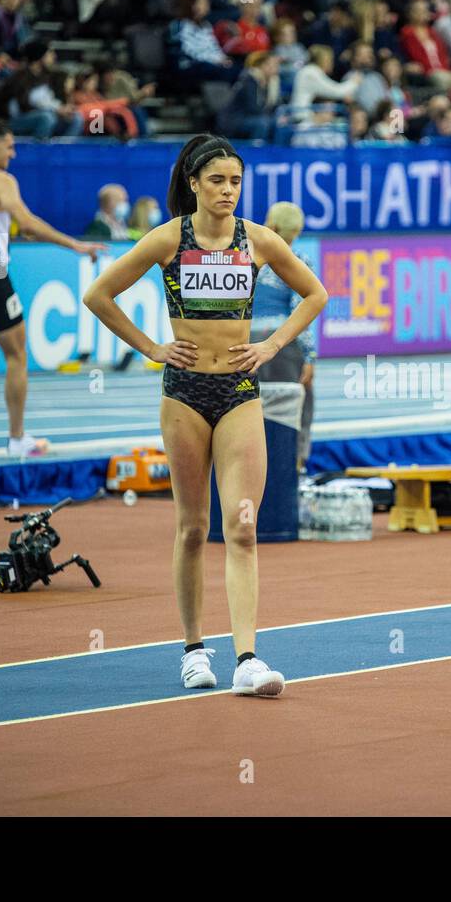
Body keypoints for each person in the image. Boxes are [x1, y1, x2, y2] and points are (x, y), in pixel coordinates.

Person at [82, 134, 327, 697]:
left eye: (236, 181)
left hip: (239, 390)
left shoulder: (258, 241)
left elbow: (314, 295)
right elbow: (99, 295)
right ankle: (194, 651)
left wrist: (269, 346)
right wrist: (151, 347)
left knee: (241, 525)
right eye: (217, 180)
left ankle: (248, 660)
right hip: (184, 395)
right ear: (193, 183)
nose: (228, 191)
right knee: (193, 527)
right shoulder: (170, 238)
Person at [0, 120, 107, 466]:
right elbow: (26, 223)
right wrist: (74, 245)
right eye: (10, 147)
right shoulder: (1, 180)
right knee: (16, 357)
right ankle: (16, 438)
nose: (13, 154)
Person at [249, 202, 318, 472]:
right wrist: (310, 356)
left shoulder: (249, 258)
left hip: (245, 341)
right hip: (281, 342)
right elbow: (301, 310)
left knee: (249, 404)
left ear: (272, 226)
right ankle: (295, 462)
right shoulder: (296, 261)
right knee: (300, 401)